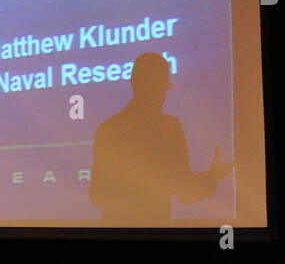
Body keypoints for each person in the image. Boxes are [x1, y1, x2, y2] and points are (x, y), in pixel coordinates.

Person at [89, 52, 234, 223]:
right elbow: (185, 193)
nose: (167, 88)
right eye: (163, 82)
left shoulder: (107, 128)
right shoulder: (169, 128)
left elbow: (97, 195)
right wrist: (213, 176)